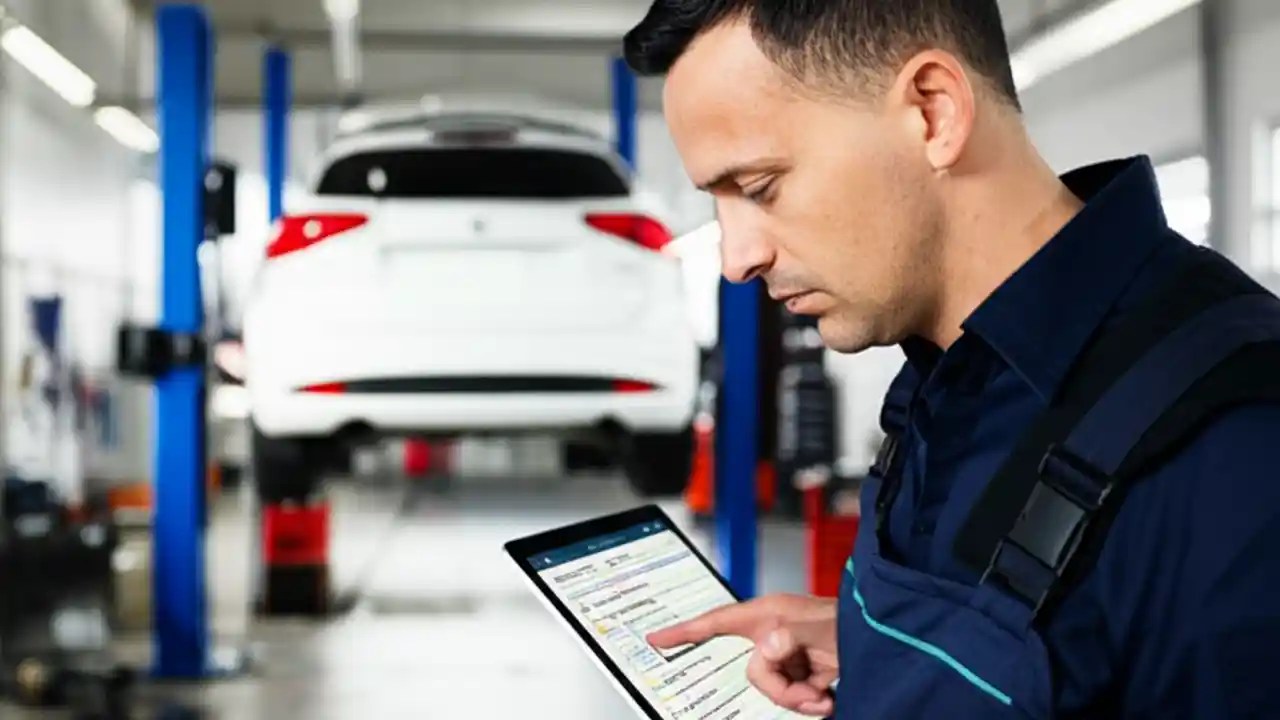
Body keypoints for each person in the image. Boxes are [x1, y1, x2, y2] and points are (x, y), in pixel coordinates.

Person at [623, 1, 1280, 718]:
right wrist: (871, 650)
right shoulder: (940, 380)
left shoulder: (1241, 448)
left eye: (759, 189)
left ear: (933, 112)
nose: (737, 259)